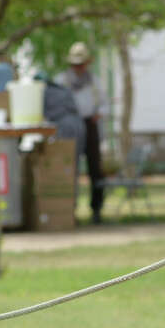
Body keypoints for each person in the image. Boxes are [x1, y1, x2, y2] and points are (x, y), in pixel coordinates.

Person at [57, 42, 106, 224]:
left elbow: (104, 103)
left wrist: (99, 113)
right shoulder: (62, 81)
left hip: (90, 124)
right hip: (71, 125)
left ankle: (97, 208)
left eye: (81, 63)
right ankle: (70, 209)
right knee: (71, 169)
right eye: (75, 64)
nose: (78, 67)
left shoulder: (94, 81)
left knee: (95, 169)